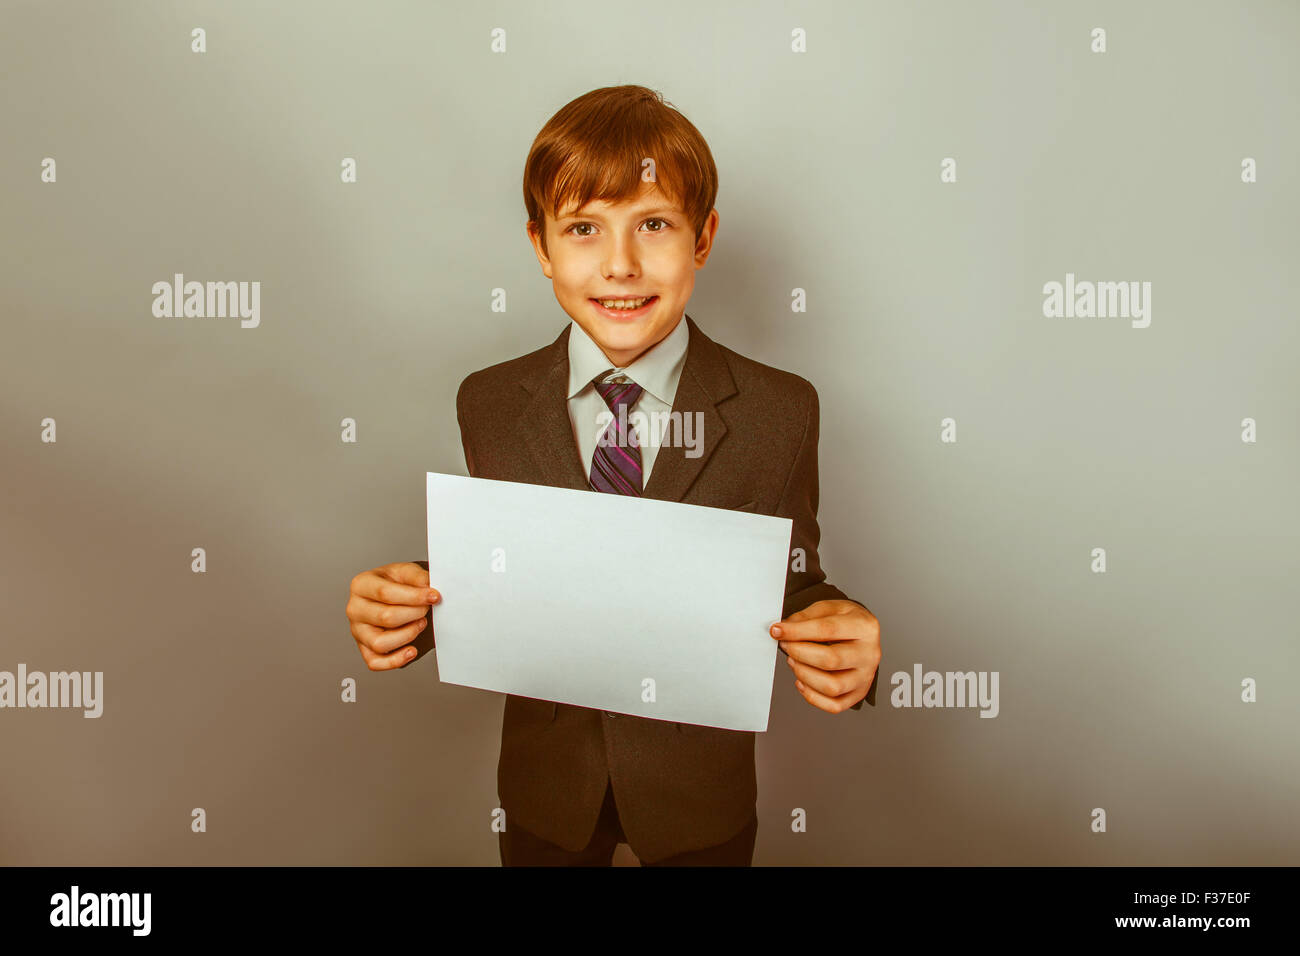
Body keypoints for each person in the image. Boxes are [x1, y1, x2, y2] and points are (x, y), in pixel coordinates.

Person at [345, 85, 882, 866]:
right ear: (541, 247)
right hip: (546, 792)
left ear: (702, 238)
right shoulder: (489, 402)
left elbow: (792, 582)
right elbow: (513, 569)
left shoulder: (781, 410)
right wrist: (413, 607)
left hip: (697, 797)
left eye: (654, 225)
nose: (621, 265)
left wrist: (846, 635)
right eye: (585, 229)